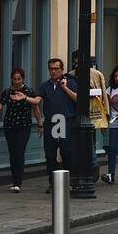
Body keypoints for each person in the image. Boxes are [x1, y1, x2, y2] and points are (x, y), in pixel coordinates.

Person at [0, 67, 42, 191]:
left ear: (22, 79)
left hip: (24, 125)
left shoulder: (28, 91)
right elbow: (0, 104)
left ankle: (18, 182)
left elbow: (36, 108)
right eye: (14, 79)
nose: (16, 81)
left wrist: (40, 124)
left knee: (19, 152)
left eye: (19, 79)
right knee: (12, 153)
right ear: (11, 79)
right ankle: (14, 180)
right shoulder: (7, 92)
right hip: (10, 125)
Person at [37, 58, 77, 190]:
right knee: (50, 153)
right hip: (52, 121)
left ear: (62, 70)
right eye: (51, 69)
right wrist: (26, 98)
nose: (53, 72)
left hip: (65, 120)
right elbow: (38, 99)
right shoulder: (45, 85)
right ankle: (53, 182)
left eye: (56, 69)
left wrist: (64, 87)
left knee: (66, 151)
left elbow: (77, 98)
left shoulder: (70, 82)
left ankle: (68, 181)